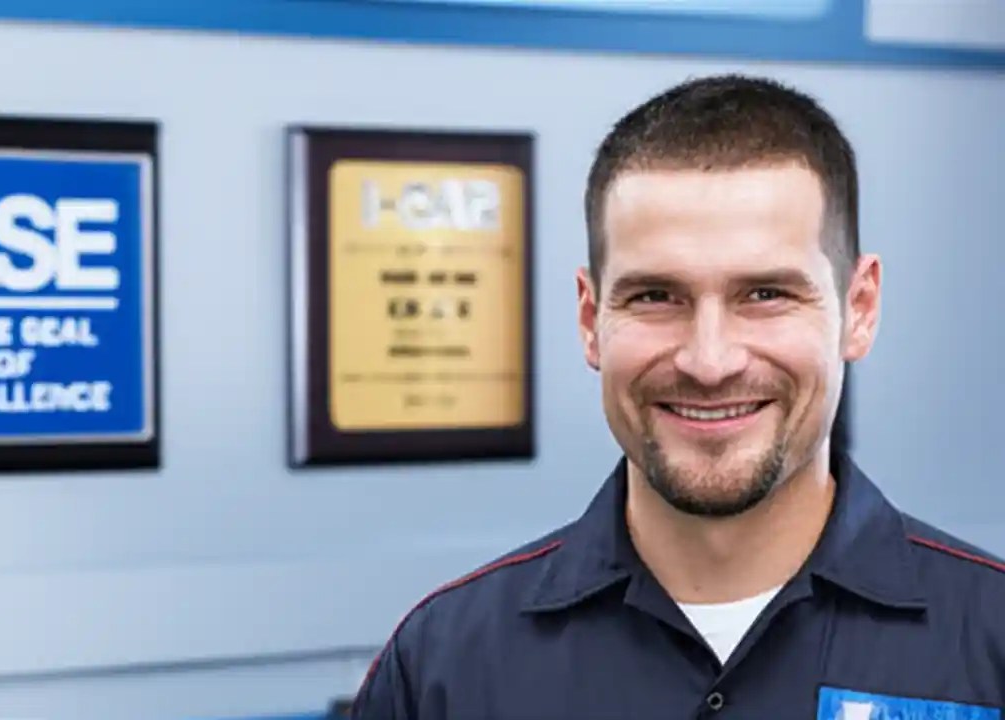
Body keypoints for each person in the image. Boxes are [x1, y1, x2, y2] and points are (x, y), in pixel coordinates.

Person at [351, 73, 1005, 719]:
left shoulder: (990, 645)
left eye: (765, 294)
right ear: (589, 319)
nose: (709, 360)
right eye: (656, 297)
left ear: (858, 310)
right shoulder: (444, 667)